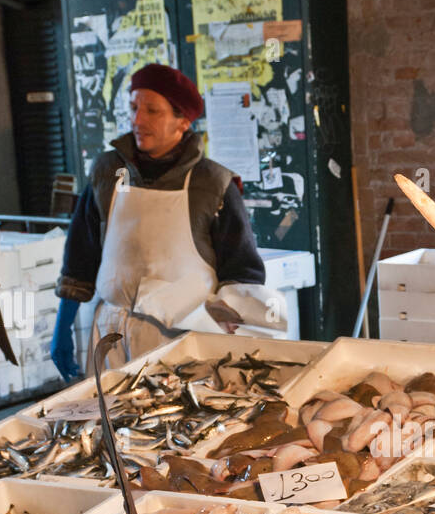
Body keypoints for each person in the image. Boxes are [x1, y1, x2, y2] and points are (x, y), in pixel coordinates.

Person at [51, 63, 284, 378]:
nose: (137, 120)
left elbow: (242, 271)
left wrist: (231, 331)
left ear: (183, 121)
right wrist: (62, 325)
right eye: (134, 108)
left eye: (152, 111)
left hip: (180, 336)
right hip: (110, 330)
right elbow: (81, 253)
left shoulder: (213, 183)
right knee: (107, 422)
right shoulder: (107, 172)